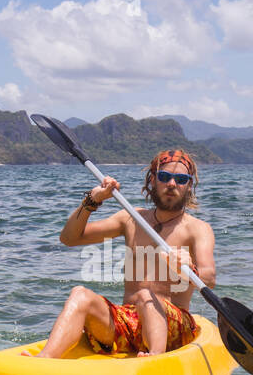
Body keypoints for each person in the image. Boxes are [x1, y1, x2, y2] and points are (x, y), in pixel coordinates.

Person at [27, 149, 216, 358]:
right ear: (153, 180)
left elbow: (209, 278)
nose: (172, 183)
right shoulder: (130, 219)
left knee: (146, 295)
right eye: (164, 177)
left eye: (180, 179)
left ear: (189, 185)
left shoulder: (198, 229)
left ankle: (155, 357)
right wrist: (92, 200)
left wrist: (189, 269)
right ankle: (44, 360)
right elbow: (70, 238)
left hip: (174, 327)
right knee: (80, 295)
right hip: (129, 322)